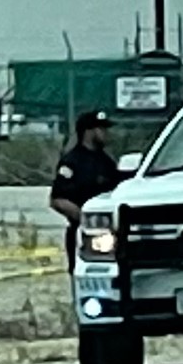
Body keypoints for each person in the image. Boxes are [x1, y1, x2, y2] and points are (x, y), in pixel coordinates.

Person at [50, 109, 122, 267]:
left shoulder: (107, 162)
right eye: (101, 129)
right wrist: (87, 219)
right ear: (88, 132)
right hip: (81, 233)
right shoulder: (72, 162)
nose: (106, 133)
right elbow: (58, 199)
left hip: (109, 234)